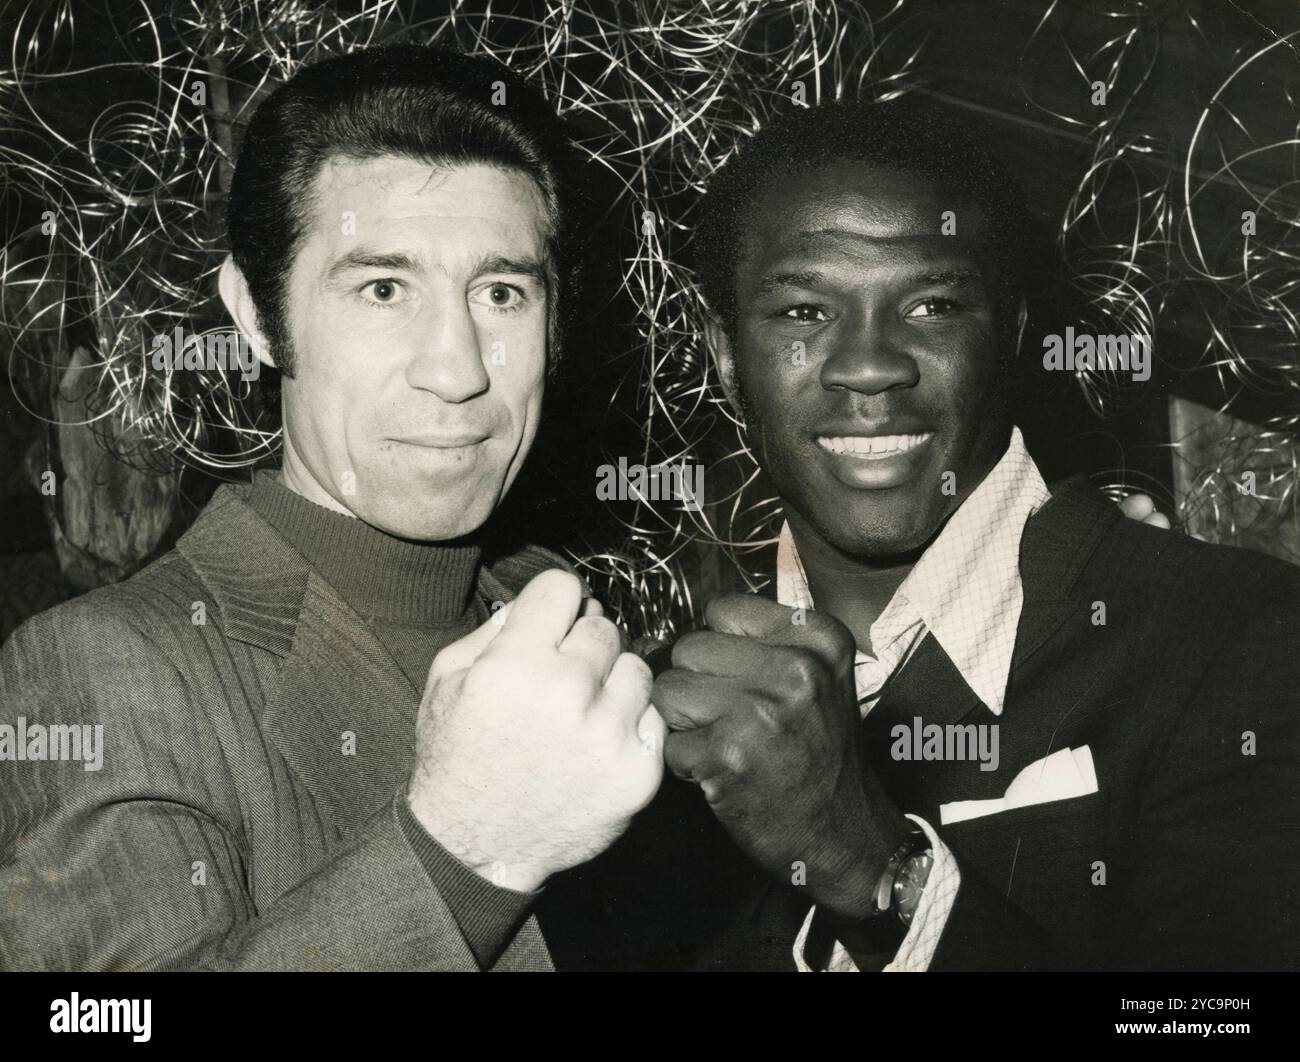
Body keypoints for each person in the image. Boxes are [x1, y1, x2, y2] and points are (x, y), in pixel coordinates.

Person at [548, 97, 1300, 972]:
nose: (870, 364)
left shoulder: (1234, 638)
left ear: (1011, 335)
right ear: (725, 354)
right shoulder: (650, 728)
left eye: (934, 305)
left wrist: (879, 869)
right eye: (802, 312)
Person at [0, 44, 664, 972]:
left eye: (501, 292)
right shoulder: (104, 670)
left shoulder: (564, 619)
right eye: (383, 288)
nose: (459, 367)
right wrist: (463, 854)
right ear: (257, 317)